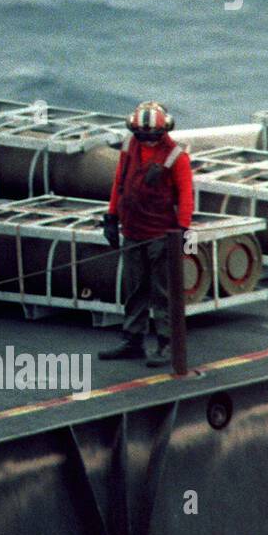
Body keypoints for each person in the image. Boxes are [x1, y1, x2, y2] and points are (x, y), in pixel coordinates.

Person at [97, 101, 193, 367]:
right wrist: (111, 218)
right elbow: (119, 183)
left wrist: (183, 231)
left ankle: (167, 343)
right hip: (132, 230)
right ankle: (133, 341)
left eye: (152, 137)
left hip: (161, 236)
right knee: (134, 289)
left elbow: (186, 196)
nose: (147, 142)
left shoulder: (176, 156)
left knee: (163, 293)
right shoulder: (130, 146)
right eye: (142, 136)